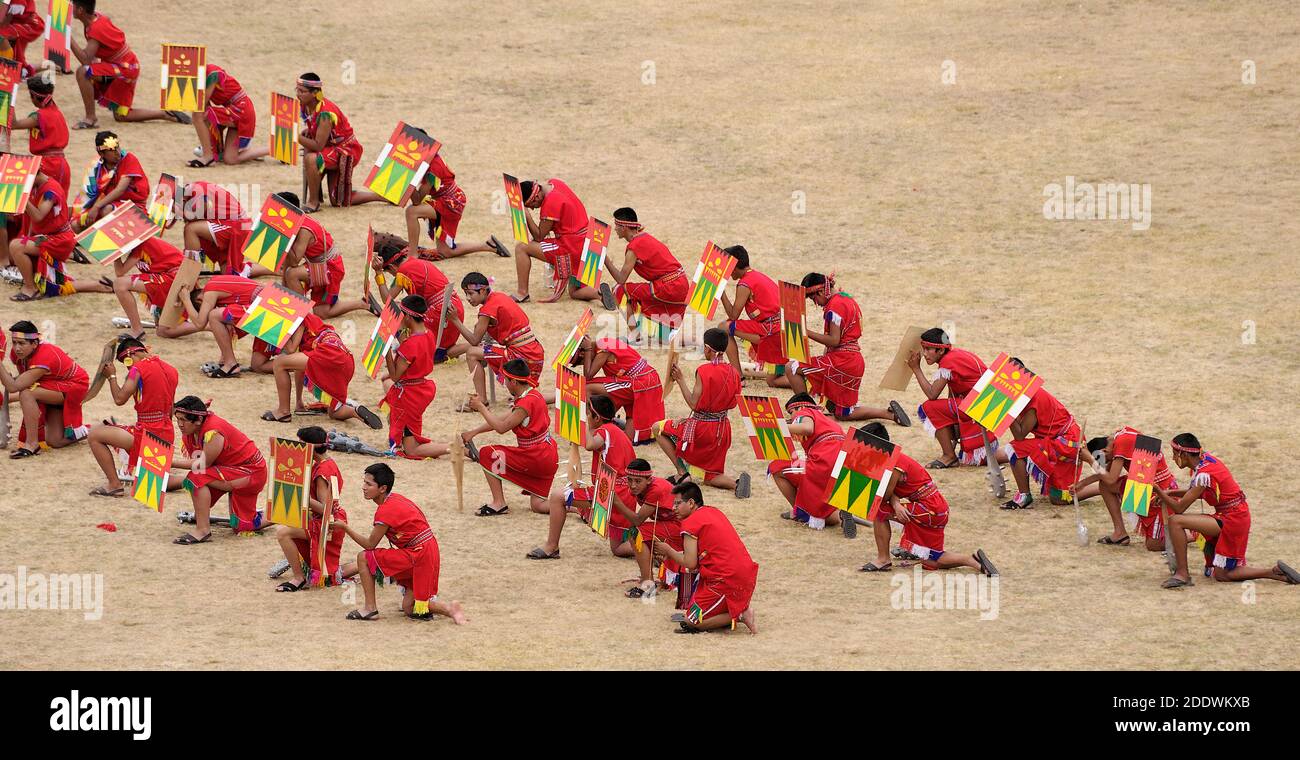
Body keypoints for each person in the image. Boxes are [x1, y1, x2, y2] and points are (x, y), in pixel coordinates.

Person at [1155, 434, 1300, 590]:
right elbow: (1194, 492)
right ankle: (1273, 572)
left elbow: (1179, 508)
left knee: (1176, 520)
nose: (1173, 458)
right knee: (1222, 575)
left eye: (1175, 453)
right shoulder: (1205, 462)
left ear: (1183, 454)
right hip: (1232, 514)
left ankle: (1182, 574)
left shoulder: (1204, 474)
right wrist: (1170, 493)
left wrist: (1158, 490)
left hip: (1234, 519)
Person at [857, 422, 999, 576]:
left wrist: (895, 503)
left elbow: (884, 496)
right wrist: (896, 503)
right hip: (935, 508)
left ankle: (883, 559)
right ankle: (972, 560)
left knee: (879, 510)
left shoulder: (894, 465)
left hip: (930, 509)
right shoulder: (895, 459)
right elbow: (891, 493)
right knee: (931, 561)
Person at [334, 463, 467, 623]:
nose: (363, 487)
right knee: (409, 608)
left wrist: (344, 527)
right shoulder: (396, 499)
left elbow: (370, 545)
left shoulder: (386, 510)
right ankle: (449, 609)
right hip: (427, 550)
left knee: (364, 557)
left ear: (382, 488)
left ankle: (370, 609)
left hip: (419, 553)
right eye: (364, 482)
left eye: (368, 484)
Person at [784, 273, 910, 425]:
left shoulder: (834, 306)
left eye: (813, 299)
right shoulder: (846, 299)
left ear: (821, 291)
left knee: (792, 367)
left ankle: (807, 413)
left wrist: (805, 332)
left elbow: (834, 340)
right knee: (844, 414)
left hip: (841, 362)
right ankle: (888, 414)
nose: (815, 302)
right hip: (853, 362)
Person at [351, 143, 509, 261]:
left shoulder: (433, 168)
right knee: (445, 251)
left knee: (411, 211)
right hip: (446, 199)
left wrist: (408, 178)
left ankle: (412, 254)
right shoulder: (427, 161)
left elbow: (417, 200)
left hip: (450, 202)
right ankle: (488, 245)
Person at [526, 395, 637, 560]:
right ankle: (651, 548)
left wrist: (580, 419)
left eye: (587, 414)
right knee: (618, 549)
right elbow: (589, 439)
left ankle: (552, 546)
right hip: (624, 493)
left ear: (597, 417)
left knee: (557, 497)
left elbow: (590, 444)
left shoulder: (605, 431)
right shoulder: (613, 431)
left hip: (612, 491)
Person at [651, 481, 758, 634]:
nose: (673, 508)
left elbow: (690, 563)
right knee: (692, 612)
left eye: (677, 503)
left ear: (691, 503)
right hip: (740, 575)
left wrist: (668, 550)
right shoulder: (713, 511)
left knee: (691, 621)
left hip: (726, 580)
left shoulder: (690, 524)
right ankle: (731, 611)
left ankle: (740, 614)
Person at [656, 328, 750, 497]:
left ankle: (682, 473)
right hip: (722, 430)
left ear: (707, 348)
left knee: (657, 428)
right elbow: (733, 403)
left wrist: (680, 380)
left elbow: (693, 403)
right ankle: (735, 484)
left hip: (702, 429)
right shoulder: (735, 372)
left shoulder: (704, 370)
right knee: (711, 476)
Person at [69, 0, 189, 128]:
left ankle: (90, 118)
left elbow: (85, 60)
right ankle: (164, 114)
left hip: (125, 69)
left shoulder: (96, 28)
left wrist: (68, 38)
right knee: (121, 116)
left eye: (73, 4)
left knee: (83, 71)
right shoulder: (96, 18)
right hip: (127, 65)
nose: (70, 7)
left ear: (81, 10)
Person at [463, 359, 559, 516]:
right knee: (538, 505)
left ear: (514, 381)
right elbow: (503, 419)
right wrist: (474, 432)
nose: (505, 384)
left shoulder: (524, 404)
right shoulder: (534, 394)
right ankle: (575, 508)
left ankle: (498, 503)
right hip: (547, 455)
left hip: (535, 457)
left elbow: (501, 427)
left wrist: (481, 407)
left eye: (506, 381)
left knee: (488, 453)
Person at [85, 337, 178, 497]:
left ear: (131, 354)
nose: (128, 368)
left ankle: (114, 485)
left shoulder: (138, 369)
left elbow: (119, 399)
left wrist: (111, 377)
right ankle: (195, 479)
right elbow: (171, 409)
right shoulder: (171, 369)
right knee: (154, 484)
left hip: (147, 433)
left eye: (126, 362)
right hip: (166, 432)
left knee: (95, 434)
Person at [169, 396, 268, 543]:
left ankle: (202, 530)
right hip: (232, 469)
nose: (179, 424)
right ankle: (284, 513)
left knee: (196, 478)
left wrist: (169, 462)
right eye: (178, 419)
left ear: (198, 420)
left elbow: (203, 464)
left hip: (250, 472)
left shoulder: (213, 432)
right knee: (241, 527)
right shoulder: (194, 430)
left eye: (183, 420)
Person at [262, 313, 382, 429]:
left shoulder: (299, 317)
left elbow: (291, 349)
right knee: (334, 412)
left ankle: (283, 411)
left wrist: (277, 327)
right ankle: (355, 412)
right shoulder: (311, 320)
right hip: (344, 358)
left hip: (327, 354)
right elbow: (300, 366)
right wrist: (299, 402)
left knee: (279, 363)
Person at [10, 168, 111, 301]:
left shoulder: (50, 191)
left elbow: (38, 216)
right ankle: (101, 285)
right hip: (49, 238)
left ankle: (31, 289)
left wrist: (23, 197)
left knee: (16, 246)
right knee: (58, 286)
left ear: (34, 174)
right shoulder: (39, 185)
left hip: (57, 240)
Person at [996, 358, 1084, 509]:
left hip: (1064, 443)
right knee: (1058, 498)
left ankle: (1023, 497)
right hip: (1063, 440)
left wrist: (1006, 409)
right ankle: (1104, 487)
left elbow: (1020, 435)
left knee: (1014, 448)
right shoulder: (1027, 394)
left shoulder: (1033, 399)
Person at [447, 271, 545, 402]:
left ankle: (481, 399)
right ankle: (557, 397)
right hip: (534, 351)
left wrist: (455, 320)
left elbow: (474, 341)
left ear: (482, 291)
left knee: (471, 353)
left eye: (470, 293)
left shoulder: (487, 310)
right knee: (528, 397)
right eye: (466, 294)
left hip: (520, 354)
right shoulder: (500, 297)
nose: (468, 298)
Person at [273, 426, 347, 591]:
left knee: (283, 532)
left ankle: (299, 578)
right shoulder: (327, 463)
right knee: (330, 572)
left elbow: (324, 508)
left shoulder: (322, 471)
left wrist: (301, 496)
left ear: (311, 447)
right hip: (332, 519)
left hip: (326, 523)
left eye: (301, 444)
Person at [1078, 428, 1178, 549]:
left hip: (1158, 490)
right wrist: (1082, 483)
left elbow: (1110, 479)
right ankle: (1120, 533)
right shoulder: (1118, 437)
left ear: (1103, 451)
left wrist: (1090, 459)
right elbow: (1106, 477)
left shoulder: (1121, 444)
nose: (1108, 463)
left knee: (1153, 545)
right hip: (1146, 482)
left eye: (1107, 460)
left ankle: (1189, 535)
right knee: (1105, 486)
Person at [1, 321, 89, 457]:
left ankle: (32, 444)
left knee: (27, 393)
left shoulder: (44, 357)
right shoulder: (18, 354)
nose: (17, 348)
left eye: (22, 343)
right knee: (55, 441)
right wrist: (4, 399)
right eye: (14, 342)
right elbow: (23, 381)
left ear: (34, 344)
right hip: (52, 385)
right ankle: (97, 429)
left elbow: (14, 387)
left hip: (74, 386)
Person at [511, 178, 603, 304]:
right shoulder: (555, 183)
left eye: (531, 206)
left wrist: (526, 215)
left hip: (573, 248)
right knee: (574, 291)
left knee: (521, 247)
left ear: (536, 197)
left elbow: (539, 236)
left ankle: (522, 293)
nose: (533, 209)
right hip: (593, 243)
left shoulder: (550, 204)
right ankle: (599, 293)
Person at [277, 192, 369, 318]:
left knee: (292, 274)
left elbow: (293, 262)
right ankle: (362, 303)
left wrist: (283, 237)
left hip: (331, 267)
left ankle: (298, 313)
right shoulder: (297, 221)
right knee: (321, 313)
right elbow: (288, 261)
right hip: (318, 264)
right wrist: (283, 291)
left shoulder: (304, 229)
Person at [372, 236, 464, 362]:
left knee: (396, 312)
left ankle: (406, 351)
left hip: (442, 314)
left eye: (391, 273)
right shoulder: (414, 262)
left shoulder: (403, 271)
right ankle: (470, 347)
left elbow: (387, 299)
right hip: (454, 308)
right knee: (437, 355)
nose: (393, 276)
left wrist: (378, 274)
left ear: (393, 267)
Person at [767, 393, 849, 532]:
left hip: (824, 463)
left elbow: (807, 428)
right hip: (843, 465)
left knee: (776, 466)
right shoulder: (828, 421)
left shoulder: (805, 411)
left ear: (801, 407)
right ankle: (841, 516)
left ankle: (799, 512)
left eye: (791, 413)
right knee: (826, 515)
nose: (791, 418)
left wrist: (777, 426)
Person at [910, 328, 990, 469]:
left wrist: (916, 369)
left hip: (979, 407)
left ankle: (949, 457)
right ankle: (1015, 455)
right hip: (986, 405)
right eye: (924, 349)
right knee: (985, 458)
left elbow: (932, 394)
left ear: (941, 350)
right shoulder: (954, 356)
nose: (925, 354)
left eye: (929, 349)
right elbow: (952, 392)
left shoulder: (949, 361)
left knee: (929, 407)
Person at [607, 207, 688, 340]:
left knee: (619, 290)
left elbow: (621, 279)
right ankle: (667, 333)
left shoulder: (634, 247)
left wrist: (605, 259)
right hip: (681, 284)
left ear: (624, 228)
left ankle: (635, 335)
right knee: (665, 337)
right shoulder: (644, 237)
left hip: (668, 286)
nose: (615, 229)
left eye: (616, 225)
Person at [382, 294, 445, 459]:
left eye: (401, 314)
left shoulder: (410, 345)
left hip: (410, 395)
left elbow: (395, 376)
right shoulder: (428, 334)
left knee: (412, 450)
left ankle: (455, 447)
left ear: (409, 317)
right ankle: (401, 432)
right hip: (420, 388)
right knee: (387, 387)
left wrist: (386, 350)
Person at [295, 73, 362, 211]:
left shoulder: (326, 113)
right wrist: (310, 132)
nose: (298, 94)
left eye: (302, 91)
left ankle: (313, 202)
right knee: (337, 199)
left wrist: (296, 137)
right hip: (331, 148)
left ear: (314, 93)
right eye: (297, 90)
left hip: (346, 150)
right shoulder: (306, 105)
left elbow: (318, 145)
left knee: (312, 159)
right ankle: (381, 197)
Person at [581, 334, 664, 445]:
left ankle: (591, 428)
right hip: (646, 380)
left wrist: (587, 349)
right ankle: (606, 426)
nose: (588, 362)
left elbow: (588, 375)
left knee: (587, 386)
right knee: (628, 439)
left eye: (585, 361)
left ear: (583, 353)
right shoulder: (606, 342)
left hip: (639, 383)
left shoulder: (603, 348)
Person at [716, 245, 783, 380]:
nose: (727, 274)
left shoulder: (744, 284)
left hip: (770, 331)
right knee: (772, 380)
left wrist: (721, 293)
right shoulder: (757, 275)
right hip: (781, 327)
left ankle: (738, 375)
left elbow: (733, 316)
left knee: (723, 327)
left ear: (733, 267)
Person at [176, 274, 261, 377]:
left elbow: (200, 324)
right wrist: (222, 360)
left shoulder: (209, 291)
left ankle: (231, 364)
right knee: (258, 365)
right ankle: (227, 360)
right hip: (272, 302)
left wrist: (186, 300)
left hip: (265, 306)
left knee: (214, 316)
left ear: (199, 300)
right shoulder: (216, 285)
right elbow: (228, 326)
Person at [623, 459, 683, 599]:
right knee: (636, 533)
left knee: (635, 532)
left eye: (637, 481)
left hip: (680, 528)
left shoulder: (656, 489)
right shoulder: (643, 486)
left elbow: (637, 520)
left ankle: (648, 586)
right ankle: (648, 578)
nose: (632, 485)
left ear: (649, 480)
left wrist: (617, 503)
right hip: (672, 525)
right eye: (630, 480)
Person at [189, 63, 267, 167]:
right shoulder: (201, 76)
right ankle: (217, 150)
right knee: (230, 159)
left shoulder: (212, 74)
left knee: (200, 115)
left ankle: (208, 155)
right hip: (234, 109)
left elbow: (201, 105)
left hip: (241, 110)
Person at [109, 237, 183, 340]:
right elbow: (120, 272)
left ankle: (137, 330)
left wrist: (116, 252)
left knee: (120, 284)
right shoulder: (139, 243)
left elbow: (120, 273)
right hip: (172, 277)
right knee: (163, 330)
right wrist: (117, 253)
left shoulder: (142, 243)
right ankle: (205, 325)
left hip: (174, 278)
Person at [73, 130, 148, 231]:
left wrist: (96, 207)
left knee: (106, 210)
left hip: (134, 205)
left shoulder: (129, 159)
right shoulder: (96, 167)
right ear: (101, 153)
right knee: (76, 225)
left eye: (117, 147)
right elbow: (88, 194)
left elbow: (120, 190)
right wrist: (88, 211)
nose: (117, 152)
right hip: (109, 204)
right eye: (111, 150)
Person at [177, 179, 253, 276]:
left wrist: (179, 212)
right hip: (238, 224)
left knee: (190, 229)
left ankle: (189, 272)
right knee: (229, 273)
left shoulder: (197, 191)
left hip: (237, 226)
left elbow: (197, 216)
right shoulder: (193, 188)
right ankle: (276, 271)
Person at [12, 77, 71, 196]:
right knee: (58, 203)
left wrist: (10, 99)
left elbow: (14, 124)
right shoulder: (57, 112)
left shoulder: (39, 116)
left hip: (48, 165)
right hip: (62, 165)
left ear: (33, 96)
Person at [0, 2, 45, 76]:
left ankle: (9, 70)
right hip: (15, 23)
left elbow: (3, 23)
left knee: (3, 33)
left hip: (29, 24)